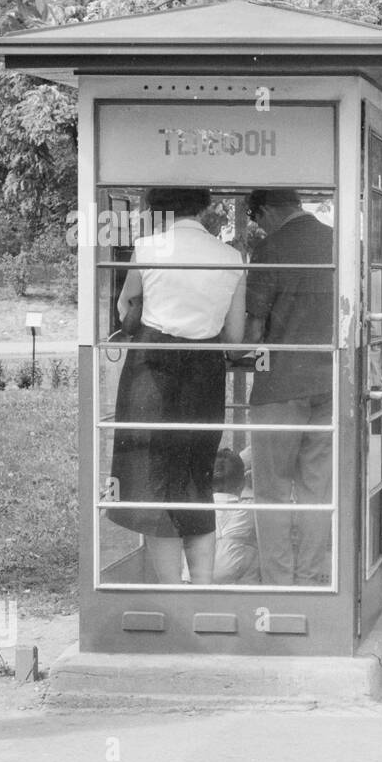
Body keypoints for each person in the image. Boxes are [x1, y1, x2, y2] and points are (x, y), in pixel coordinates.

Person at [109, 187, 246, 584]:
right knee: (195, 477)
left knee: (153, 482)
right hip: (204, 370)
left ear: (155, 207)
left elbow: (125, 307)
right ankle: (202, 587)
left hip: (151, 368)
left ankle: (170, 592)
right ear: (204, 206)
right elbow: (234, 337)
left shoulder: (147, 248)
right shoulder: (232, 257)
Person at [244, 189, 335, 586]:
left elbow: (251, 332)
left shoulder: (268, 250)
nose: (258, 226)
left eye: (256, 218)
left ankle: (279, 581)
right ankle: (314, 576)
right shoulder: (340, 243)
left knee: (273, 490)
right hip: (331, 382)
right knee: (318, 490)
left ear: (265, 211)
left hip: (279, 384)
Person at [212, 448, 259, 584]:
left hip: (194, 575)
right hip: (233, 577)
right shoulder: (249, 508)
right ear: (243, 483)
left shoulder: (197, 507)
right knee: (255, 540)